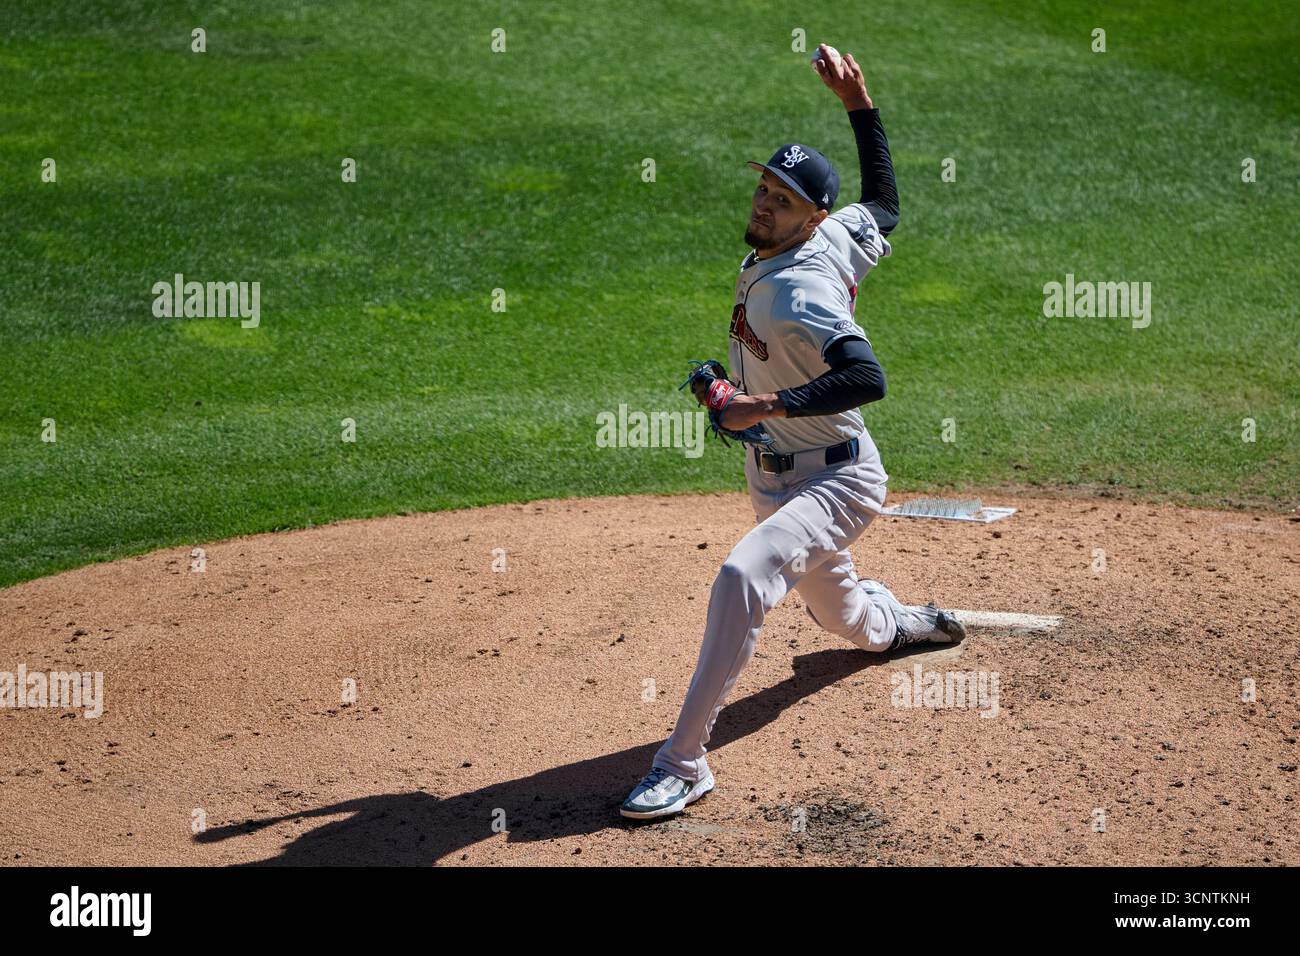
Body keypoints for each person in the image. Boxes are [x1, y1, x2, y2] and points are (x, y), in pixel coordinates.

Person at [620, 46, 966, 820]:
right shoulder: (829, 235)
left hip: (837, 476)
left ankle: (681, 763)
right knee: (847, 619)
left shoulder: (805, 290)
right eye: (763, 186)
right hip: (774, 476)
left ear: (809, 216)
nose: (763, 202)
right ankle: (892, 625)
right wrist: (859, 102)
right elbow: (885, 203)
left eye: (781, 198)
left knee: (744, 579)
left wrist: (760, 407)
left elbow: (868, 378)